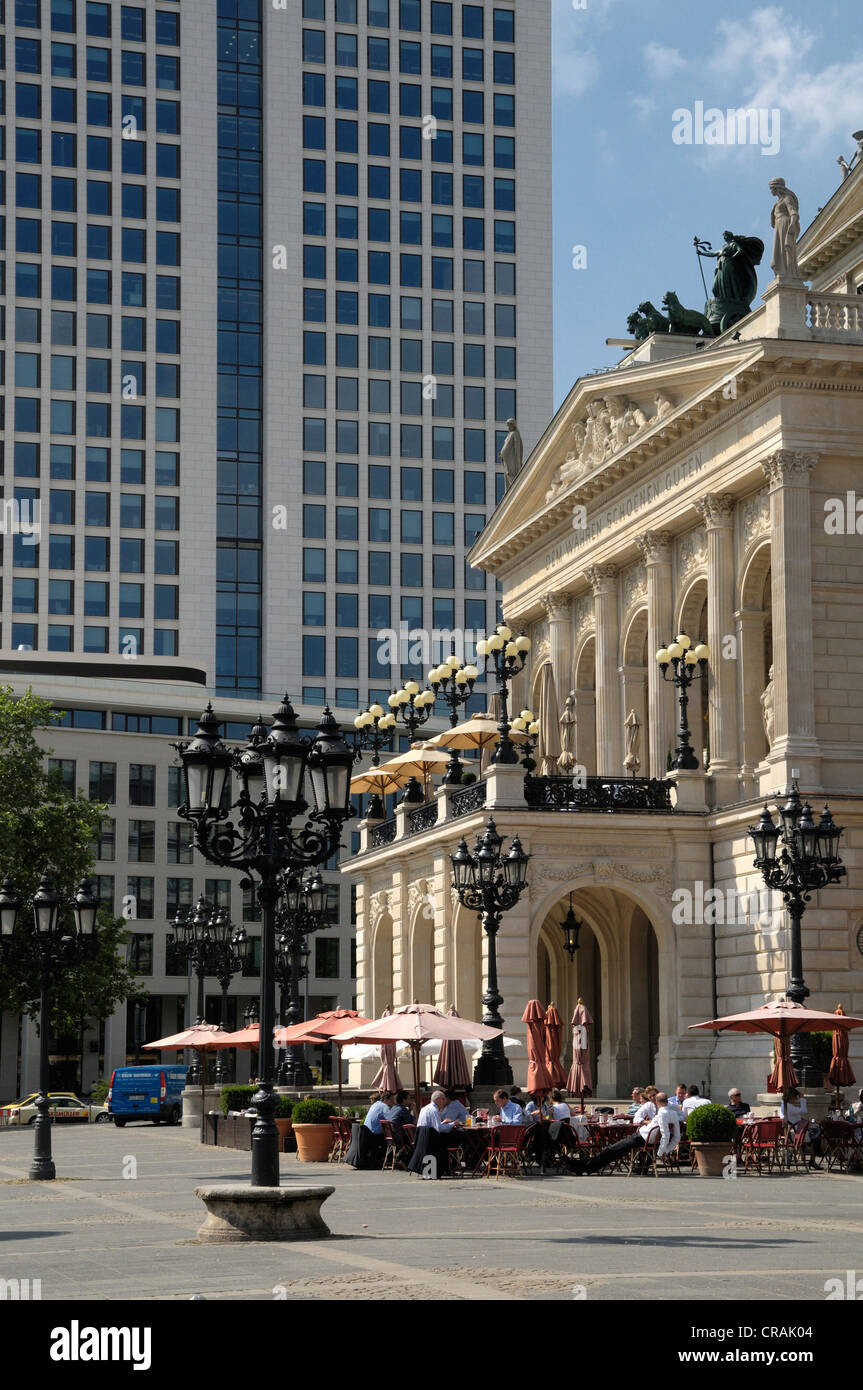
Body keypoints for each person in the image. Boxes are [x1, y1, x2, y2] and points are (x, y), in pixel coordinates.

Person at [574, 1093, 680, 1175]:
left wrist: (661, 1152)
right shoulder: (673, 1114)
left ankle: (586, 1166)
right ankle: (587, 1165)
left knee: (611, 1150)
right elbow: (676, 1136)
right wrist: (667, 1149)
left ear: (657, 1102)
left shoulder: (662, 1114)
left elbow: (665, 1134)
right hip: (643, 1138)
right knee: (614, 1151)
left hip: (641, 1138)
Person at [406, 1089, 462, 1178]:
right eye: (443, 1099)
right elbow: (438, 1129)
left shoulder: (424, 1108)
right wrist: (453, 1124)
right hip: (431, 1139)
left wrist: (443, 1123)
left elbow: (431, 1125)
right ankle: (449, 1168)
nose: (445, 1101)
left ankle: (446, 1170)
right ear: (437, 1100)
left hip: (421, 1137)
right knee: (455, 1139)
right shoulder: (434, 1110)